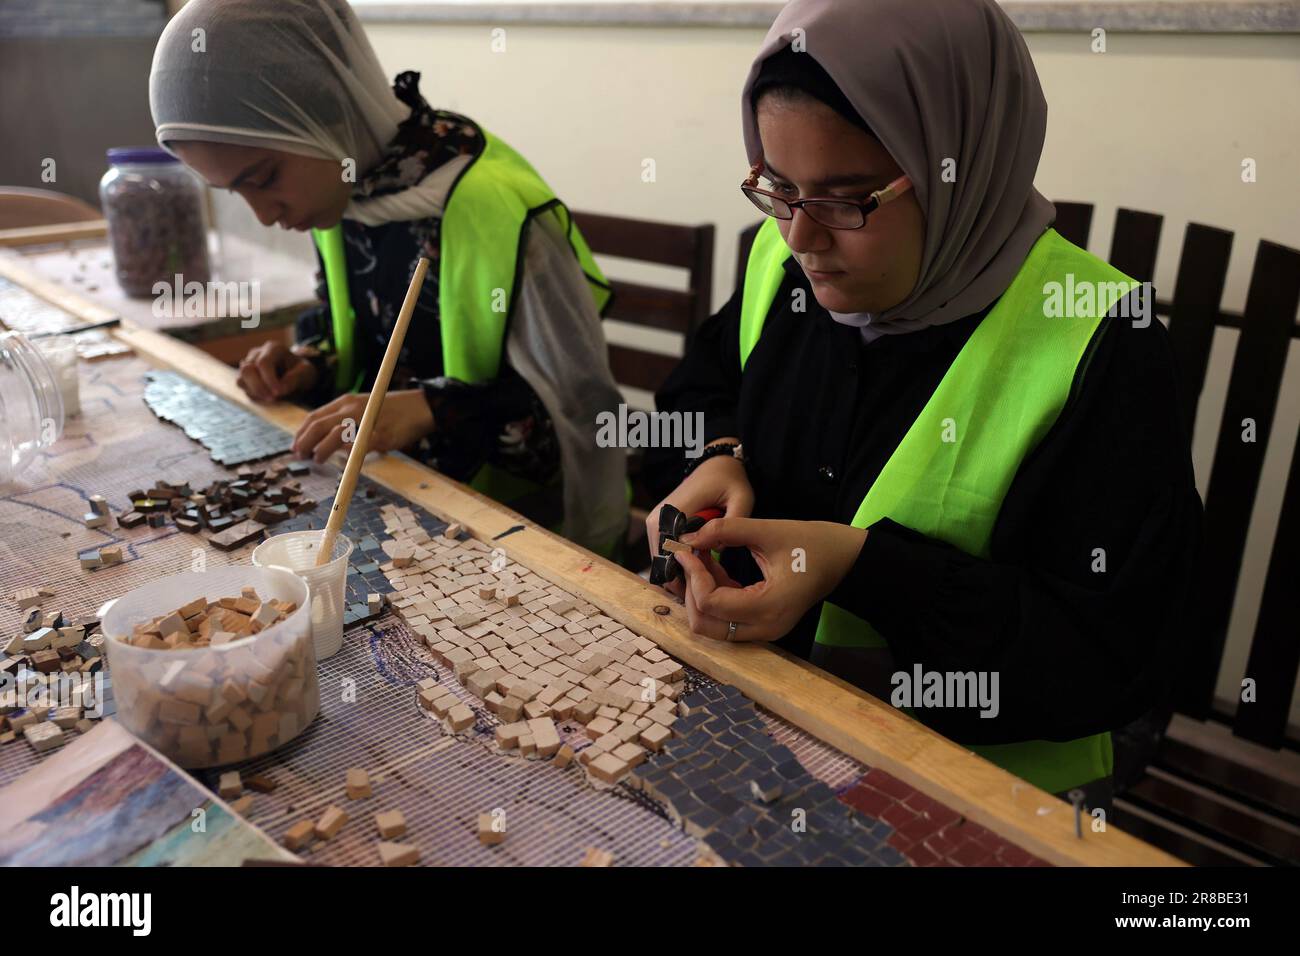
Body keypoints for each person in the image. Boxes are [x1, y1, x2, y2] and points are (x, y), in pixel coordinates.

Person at [648, 0, 1203, 809]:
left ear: (958, 162)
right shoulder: (789, 264)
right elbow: (700, 387)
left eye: (846, 199)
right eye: (778, 187)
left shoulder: (1100, 337)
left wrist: (862, 568)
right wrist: (719, 454)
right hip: (758, 733)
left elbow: (1111, 658)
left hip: (974, 796)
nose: (801, 238)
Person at [149, 0, 627, 556]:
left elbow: (583, 421)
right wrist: (310, 363)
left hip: (510, 535)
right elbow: (364, 342)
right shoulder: (344, 190)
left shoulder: (493, 206)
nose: (264, 213)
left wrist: (431, 408)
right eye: (236, 190)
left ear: (322, 116)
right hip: (391, 500)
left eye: (264, 177)